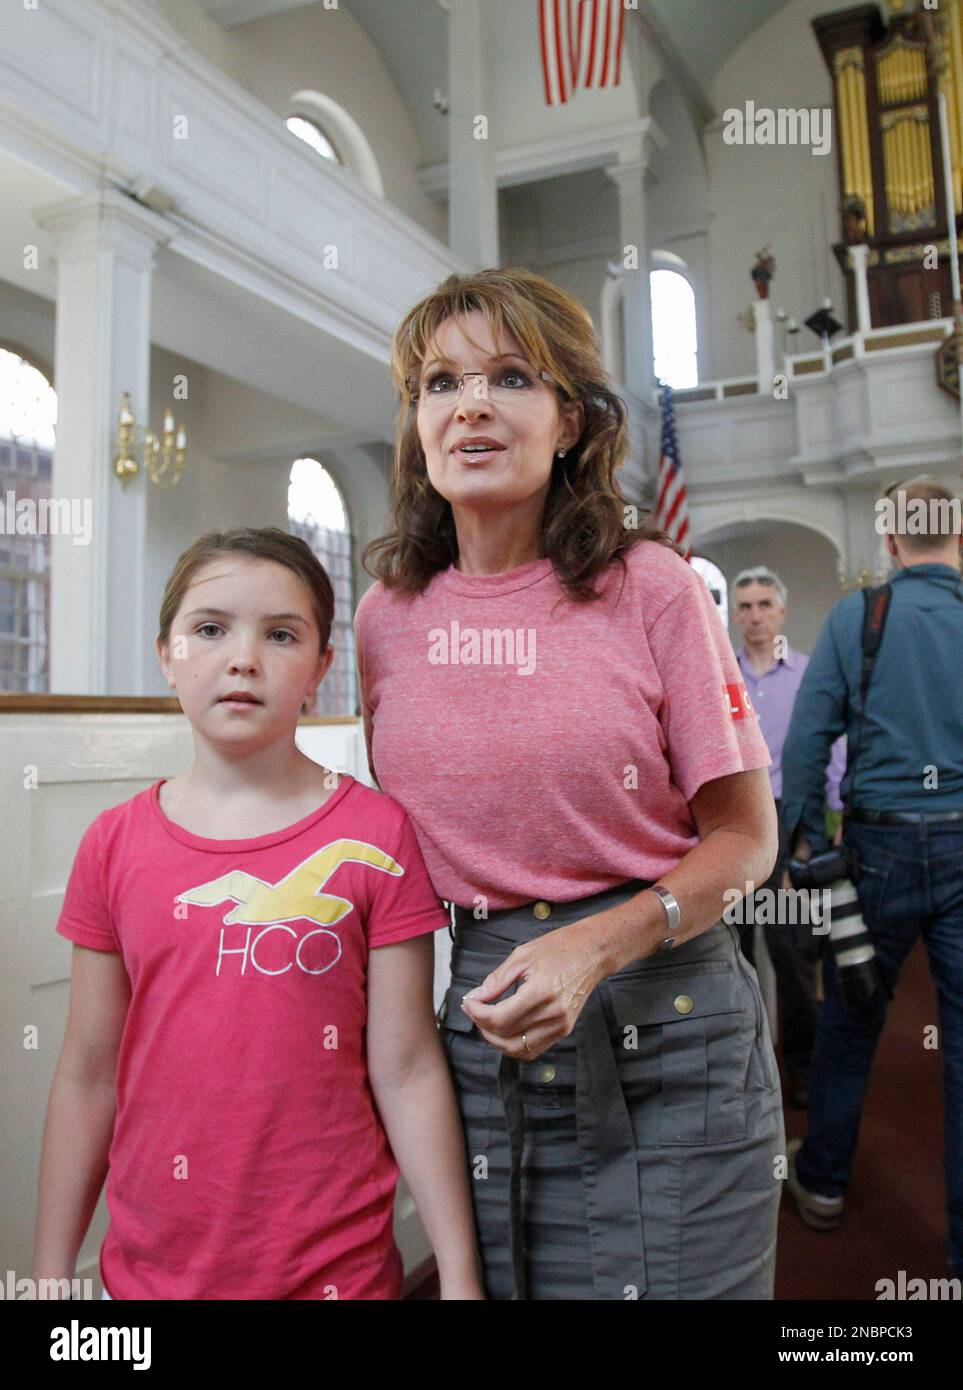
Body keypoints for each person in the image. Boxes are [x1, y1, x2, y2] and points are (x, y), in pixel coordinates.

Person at [354, 266, 785, 1300]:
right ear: (417, 425)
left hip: (669, 1015)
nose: (470, 404)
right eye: (439, 382)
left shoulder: (654, 587)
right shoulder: (385, 617)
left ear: (572, 422)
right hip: (490, 1031)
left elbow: (746, 839)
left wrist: (598, 941)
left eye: (510, 376)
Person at [32, 527, 484, 1300]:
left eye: (281, 635)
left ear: (319, 670)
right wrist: (44, 1278)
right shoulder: (113, 844)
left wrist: (460, 1279)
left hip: (331, 1269)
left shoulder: (375, 832)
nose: (243, 658)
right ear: (166, 656)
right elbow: (87, 1072)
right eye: (210, 629)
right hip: (151, 1274)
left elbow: (406, 1067)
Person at [780, 477, 963, 1277]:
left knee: (850, 1025)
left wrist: (796, 850)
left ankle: (820, 1184)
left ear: (889, 542)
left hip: (877, 854)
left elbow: (803, 746)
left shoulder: (860, 616)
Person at [731, 566, 846, 1110]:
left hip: (793, 822)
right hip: (730, 823)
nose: (754, 616)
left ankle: (802, 1068)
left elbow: (831, 751)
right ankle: (740, 1069)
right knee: (730, 955)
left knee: (794, 956)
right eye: (745, 606)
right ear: (736, 615)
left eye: (763, 605)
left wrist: (833, 818)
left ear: (781, 611)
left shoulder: (807, 675)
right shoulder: (718, 677)